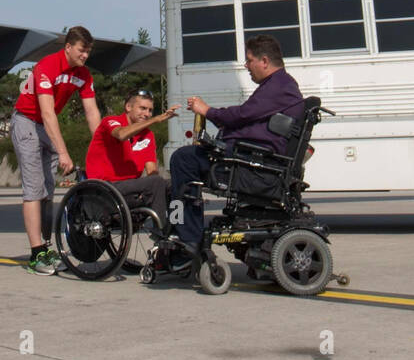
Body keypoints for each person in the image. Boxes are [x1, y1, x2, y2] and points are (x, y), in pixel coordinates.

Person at [166, 34, 304, 258]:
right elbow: (247, 120)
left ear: (264, 61)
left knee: (182, 159)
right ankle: (182, 226)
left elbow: (241, 115)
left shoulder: (279, 86)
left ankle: (186, 237)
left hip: (253, 165)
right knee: (189, 161)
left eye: (249, 60)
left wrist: (207, 111)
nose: (246, 66)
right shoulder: (279, 85)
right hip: (253, 159)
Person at [10, 27, 101, 274]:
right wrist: (63, 152)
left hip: (45, 126)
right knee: (34, 188)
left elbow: (91, 112)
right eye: (82, 51)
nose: (85, 56)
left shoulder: (83, 75)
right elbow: (48, 113)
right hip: (27, 122)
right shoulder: (47, 66)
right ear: (68, 47)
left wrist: (101, 146)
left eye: (88, 52)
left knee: (48, 192)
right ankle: (36, 254)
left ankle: (47, 248)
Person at [83, 89, 178, 227]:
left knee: (178, 184)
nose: (147, 114)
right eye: (143, 108)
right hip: (105, 187)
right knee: (156, 182)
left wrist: (156, 188)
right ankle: (161, 234)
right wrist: (155, 119)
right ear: (128, 107)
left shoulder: (147, 136)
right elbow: (121, 135)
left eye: (150, 110)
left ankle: (179, 229)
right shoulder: (111, 122)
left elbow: (152, 171)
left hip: (129, 187)